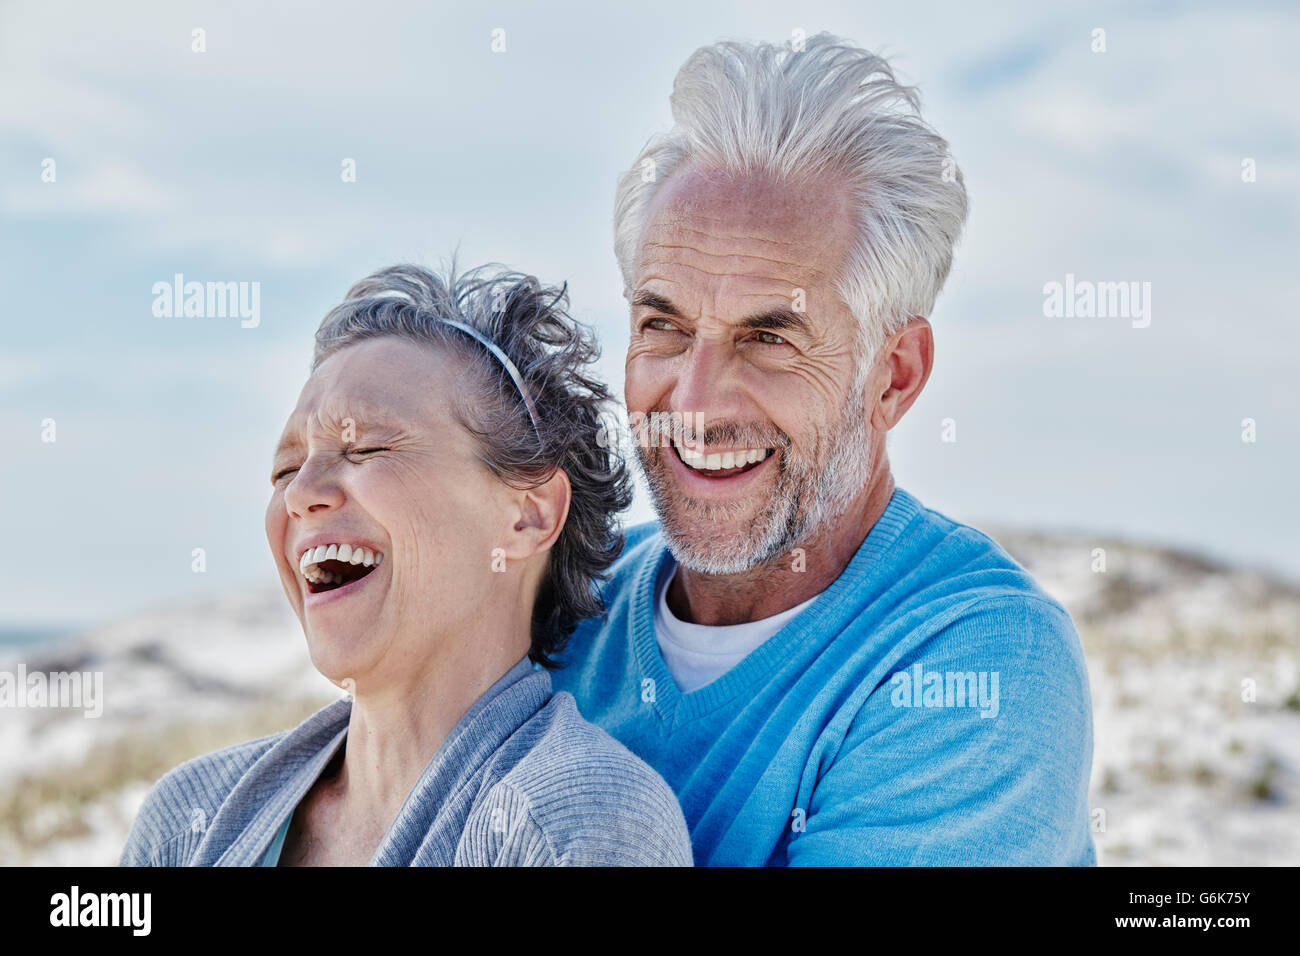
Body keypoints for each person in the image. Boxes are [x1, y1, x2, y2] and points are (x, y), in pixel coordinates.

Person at [549, 33, 1096, 865]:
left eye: (769, 337)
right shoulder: (558, 606)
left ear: (894, 377)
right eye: (663, 325)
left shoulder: (981, 665)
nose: (693, 404)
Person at [119, 263, 692, 866]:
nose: (298, 494)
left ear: (528, 514)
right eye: (285, 469)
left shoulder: (579, 823)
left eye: (365, 449)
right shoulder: (185, 823)